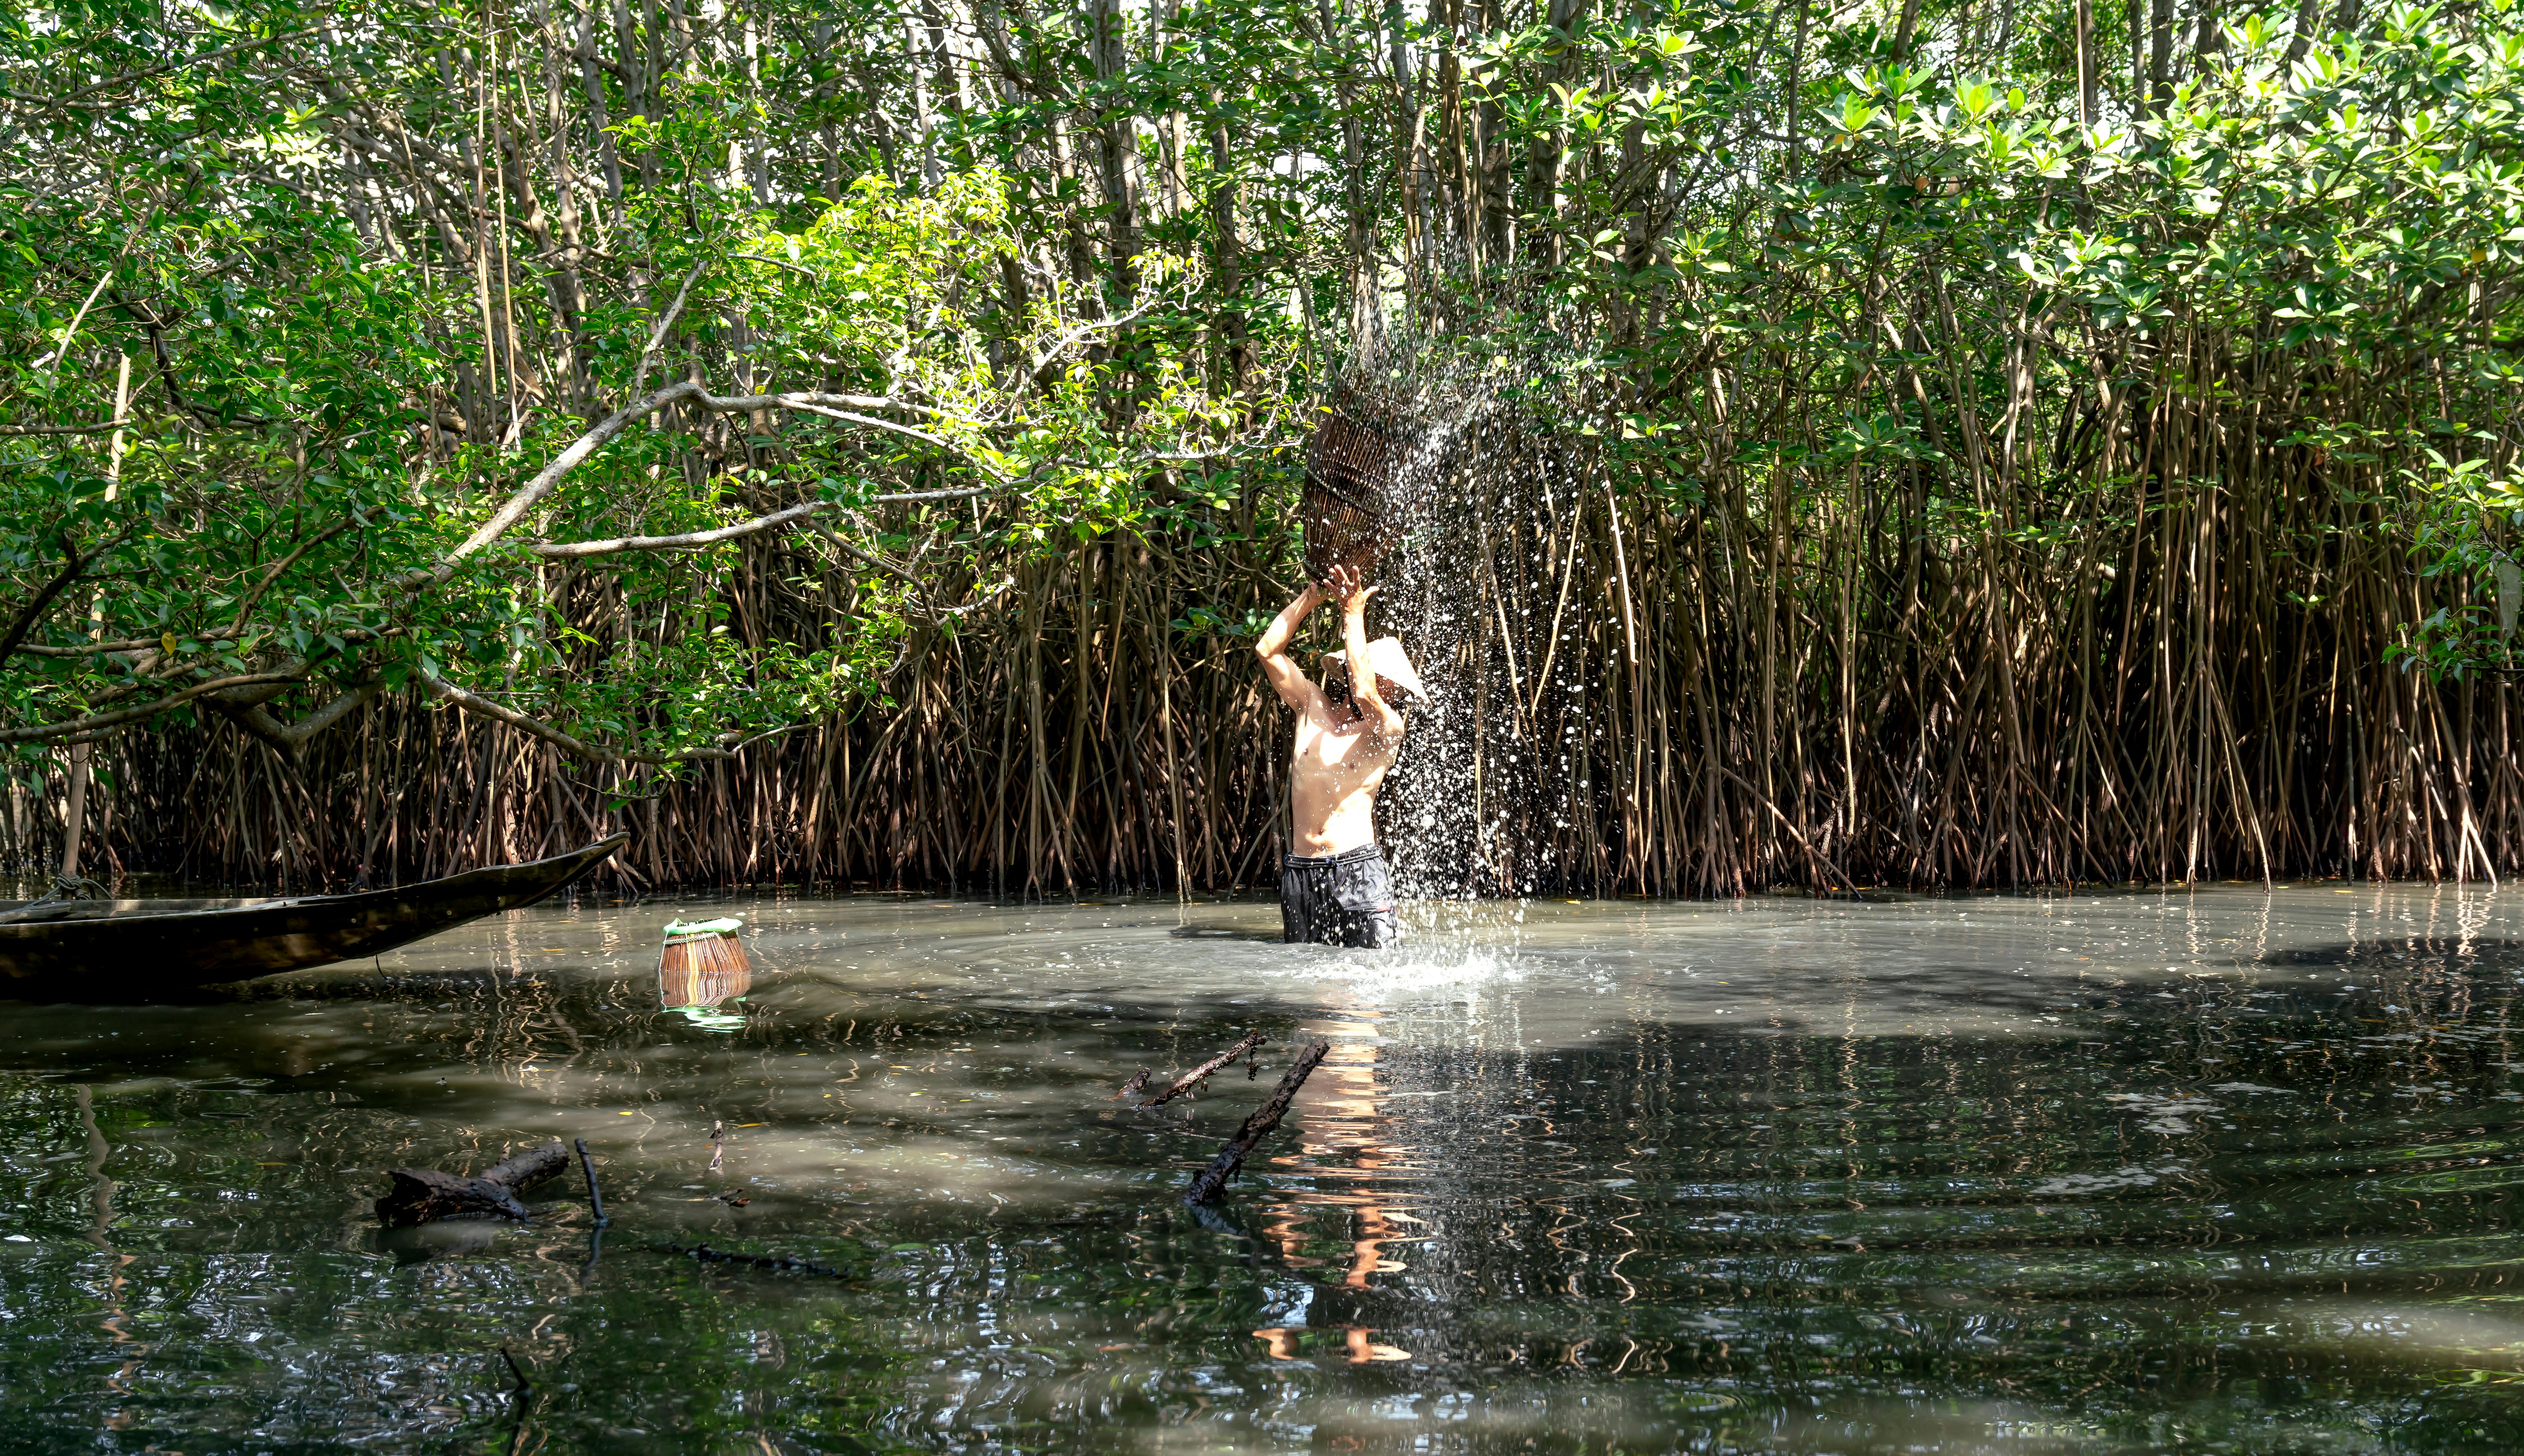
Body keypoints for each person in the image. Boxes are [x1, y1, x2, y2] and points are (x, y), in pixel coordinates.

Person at [1253, 563, 1429, 947]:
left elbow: (1366, 695)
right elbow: (1267, 650)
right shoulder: (1312, 705)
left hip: (1357, 869)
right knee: (1309, 995)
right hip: (1300, 875)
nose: (1387, 688)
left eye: (1392, 685)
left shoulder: (1387, 730)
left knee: (1373, 987)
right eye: (1377, 675)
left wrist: (1352, 613)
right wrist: (1309, 599)